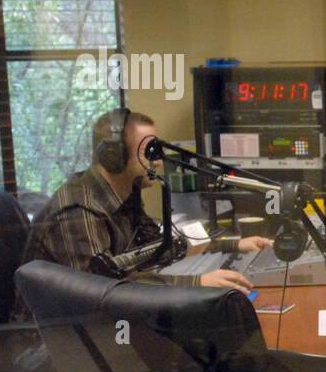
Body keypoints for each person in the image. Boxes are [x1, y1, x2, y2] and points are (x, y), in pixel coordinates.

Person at [14, 109, 269, 318]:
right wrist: (195, 284)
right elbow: (102, 293)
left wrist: (233, 245)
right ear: (114, 156)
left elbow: (160, 245)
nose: (158, 161)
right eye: (150, 151)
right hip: (52, 345)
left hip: (99, 325)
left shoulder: (126, 194)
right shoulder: (80, 211)